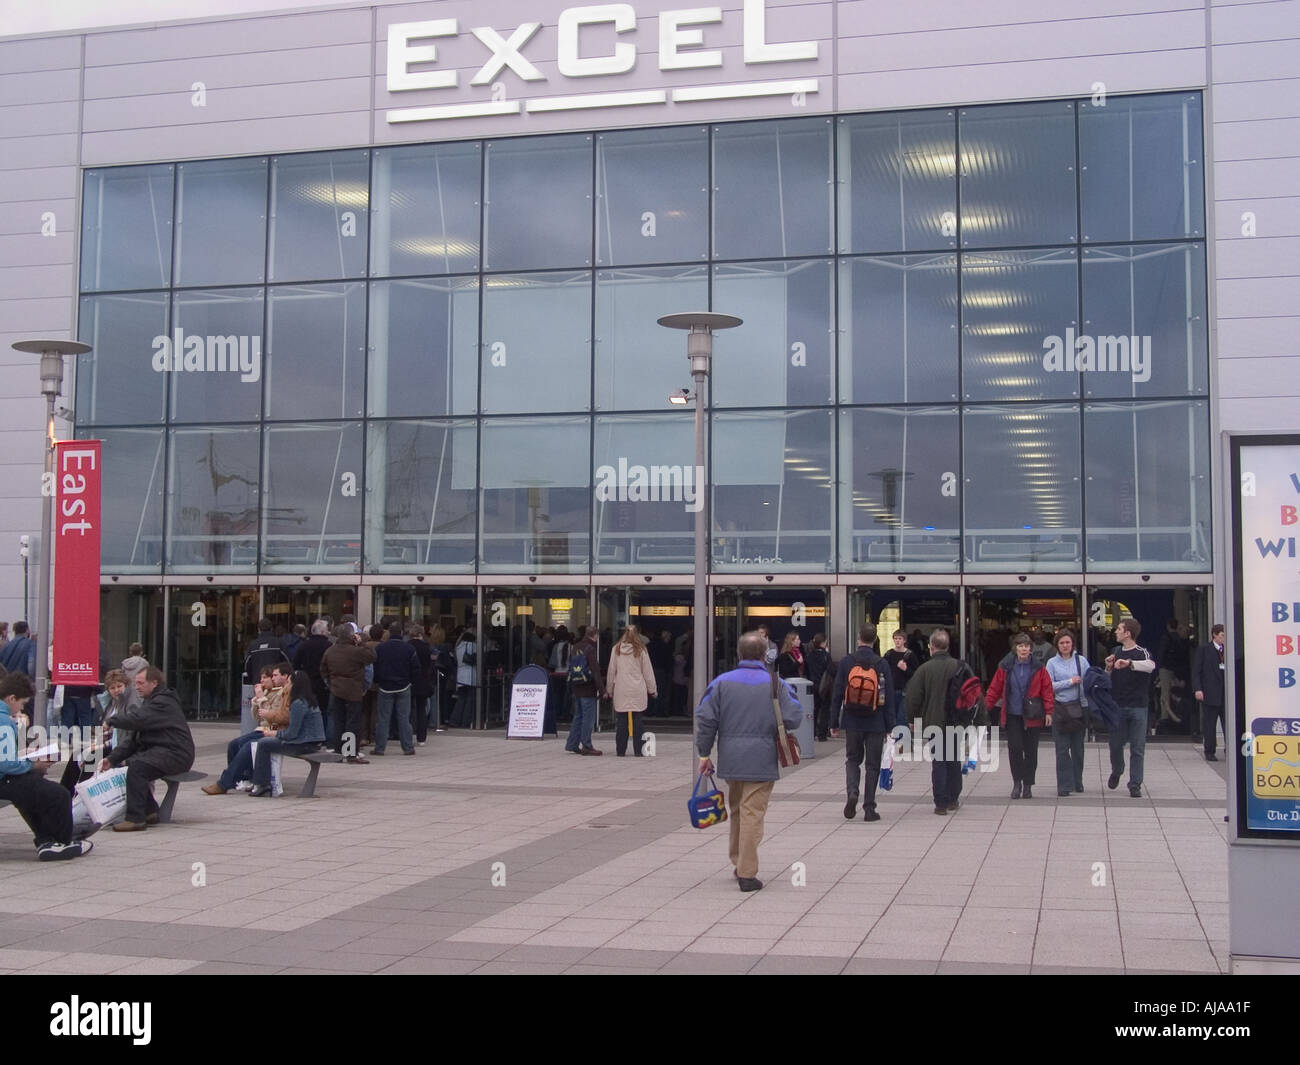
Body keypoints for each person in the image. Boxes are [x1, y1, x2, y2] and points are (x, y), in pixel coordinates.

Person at [696, 630, 803, 892]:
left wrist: (704, 753)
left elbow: (706, 719)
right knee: (752, 813)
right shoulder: (776, 683)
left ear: (739, 654)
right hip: (762, 759)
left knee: (737, 810)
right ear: (765, 654)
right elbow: (794, 717)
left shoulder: (721, 683)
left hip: (732, 759)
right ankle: (747, 872)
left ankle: (737, 860)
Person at [0, 673, 92, 860]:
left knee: (30, 789)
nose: (22, 708)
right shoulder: (3, 720)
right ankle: (62, 842)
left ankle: (46, 840)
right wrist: (34, 764)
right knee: (59, 794)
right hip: (3, 779)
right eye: (22, 703)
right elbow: (5, 763)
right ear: (11, 698)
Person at [100, 667, 196, 831]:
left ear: (154, 683)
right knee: (134, 765)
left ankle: (135, 818)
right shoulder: (151, 702)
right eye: (136, 683)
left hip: (177, 754)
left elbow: (137, 720)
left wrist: (112, 721)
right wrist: (112, 759)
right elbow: (134, 740)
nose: (137, 686)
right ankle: (150, 811)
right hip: (165, 751)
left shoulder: (162, 703)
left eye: (141, 683)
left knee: (137, 768)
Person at [829, 623, 895, 823]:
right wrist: (890, 726)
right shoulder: (881, 663)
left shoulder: (847, 662)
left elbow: (838, 692)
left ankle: (852, 793)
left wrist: (834, 722)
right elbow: (888, 696)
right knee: (872, 765)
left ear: (858, 638)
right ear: (875, 640)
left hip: (852, 720)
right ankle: (869, 808)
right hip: (875, 722)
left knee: (852, 760)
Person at [985, 633, 1055, 800]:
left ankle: (1028, 784)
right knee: (1015, 749)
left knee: (1031, 751)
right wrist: (984, 708)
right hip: (1013, 715)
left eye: (1026, 646)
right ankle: (1017, 783)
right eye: (1020, 646)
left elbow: (1047, 690)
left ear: (1031, 649)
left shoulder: (1039, 668)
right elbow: (994, 689)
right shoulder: (1006, 667)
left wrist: (1049, 711)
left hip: (1033, 715)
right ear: (1015, 648)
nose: (1024, 649)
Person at [904, 629, 965, 815]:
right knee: (954, 759)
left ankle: (940, 802)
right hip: (956, 722)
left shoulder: (924, 669)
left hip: (933, 722)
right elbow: (974, 694)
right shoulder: (960, 667)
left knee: (938, 761)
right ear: (947, 646)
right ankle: (953, 798)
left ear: (931, 647)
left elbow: (913, 697)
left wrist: (912, 719)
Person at [248, 670, 326, 796]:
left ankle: (262, 784)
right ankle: (262, 783)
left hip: (304, 744)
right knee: (265, 742)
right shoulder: (308, 700)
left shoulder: (298, 703)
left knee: (263, 743)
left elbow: (291, 734)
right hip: (311, 742)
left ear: (295, 685)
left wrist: (275, 734)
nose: (286, 685)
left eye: (289, 682)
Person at [1106, 617, 1157, 798]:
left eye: (1119, 629)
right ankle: (1117, 769)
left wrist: (1130, 664)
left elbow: (1151, 666)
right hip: (1118, 704)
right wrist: (1108, 667)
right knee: (1115, 744)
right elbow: (1109, 677)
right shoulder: (1115, 651)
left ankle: (1135, 784)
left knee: (1137, 747)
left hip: (1138, 706)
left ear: (1128, 633)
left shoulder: (1141, 652)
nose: (1116, 631)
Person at [319, 623, 374, 763]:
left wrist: (330, 683)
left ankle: (338, 752)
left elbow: (323, 670)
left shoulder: (330, 651)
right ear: (352, 636)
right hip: (353, 690)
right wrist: (362, 643)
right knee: (353, 723)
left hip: (336, 690)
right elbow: (372, 657)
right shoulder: (355, 651)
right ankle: (350, 753)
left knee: (339, 722)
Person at [1045, 629, 1090, 796]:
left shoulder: (1081, 661)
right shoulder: (1051, 663)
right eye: (1061, 643)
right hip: (1060, 709)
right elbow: (1049, 685)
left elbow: (1088, 681)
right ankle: (1064, 785)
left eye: (1067, 642)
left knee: (1078, 748)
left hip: (1079, 707)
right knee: (1062, 748)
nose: (1065, 646)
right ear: (1057, 645)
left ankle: (1078, 781)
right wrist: (1069, 682)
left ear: (1072, 644)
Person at [606, 625, 656, 757]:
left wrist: (609, 689)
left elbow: (611, 671)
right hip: (637, 688)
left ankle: (620, 750)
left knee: (621, 720)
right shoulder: (641, 650)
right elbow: (648, 672)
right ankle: (639, 750)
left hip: (621, 688)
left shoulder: (616, 649)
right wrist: (652, 690)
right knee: (638, 719)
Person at [373, 621, 418, 756]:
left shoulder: (380, 648)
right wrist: (410, 681)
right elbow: (416, 668)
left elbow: (375, 667)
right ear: (402, 633)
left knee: (383, 719)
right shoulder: (409, 649)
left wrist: (378, 681)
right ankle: (408, 747)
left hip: (385, 686)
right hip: (404, 686)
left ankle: (380, 748)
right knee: (404, 718)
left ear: (389, 633)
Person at [564, 627, 604, 756]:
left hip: (577, 686)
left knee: (578, 716)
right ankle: (587, 745)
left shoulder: (575, 647)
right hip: (588, 688)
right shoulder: (590, 648)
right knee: (588, 718)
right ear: (595, 635)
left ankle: (572, 744)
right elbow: (595, 671)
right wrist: (602, 691)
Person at [1193, 623, 1226, 761]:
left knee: (1228, 724)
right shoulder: (1205, 650)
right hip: (1210, 691)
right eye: (1222, 635)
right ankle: (1210, 750)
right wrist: (1198, 688)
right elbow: (1197, 671)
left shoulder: (1228, 649)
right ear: (1214, 635)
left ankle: (1229, 748)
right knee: (1210, 724)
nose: (1224, 638)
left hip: (1225, 694)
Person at [293, 619, 332, 727]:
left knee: (308, 709)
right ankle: (322, 733)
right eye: (327, 630)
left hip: (307, 682)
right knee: (324, 710)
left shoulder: (303, 645)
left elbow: (295, 664)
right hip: (323, 683)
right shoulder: (329, 646)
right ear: (323, 631)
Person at [883, 629, 918, 735]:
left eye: (900, 639)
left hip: (905, 690)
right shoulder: (889, 654)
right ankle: (893, 738)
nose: (897, 641)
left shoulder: (910, 655)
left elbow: (916, 674)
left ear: (904, 641)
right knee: (891, 715)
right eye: (896, 638)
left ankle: (902, 741)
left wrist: (905, 669)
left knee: (902, 717)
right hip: (891, 689)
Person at [1156, 618, 1186, 728]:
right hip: (1177, 669)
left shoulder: (1166, 638)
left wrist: (1159, 667)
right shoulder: (1180, 639)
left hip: (1165, 668)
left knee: (1165, 693)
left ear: (1168, 626)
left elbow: (1161, 653)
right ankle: (1175, 715)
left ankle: (1165, 717)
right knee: (1175, 692)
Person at [408, 625, 434, 747]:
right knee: (421, 709)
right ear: (421, 634)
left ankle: (407, 735)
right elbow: (428, 664)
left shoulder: (407, 645)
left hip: (409, 681)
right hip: (422, 681)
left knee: (407, 710)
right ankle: (421, 737)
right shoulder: (426, 647)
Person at [242, 618, 288, 685]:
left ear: (259, 630)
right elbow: (287, 663)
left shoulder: (253, 645)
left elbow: (247, 665)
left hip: (259, 681)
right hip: (275, 681)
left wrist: (253, 679)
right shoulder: (279, 643)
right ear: (271, 628)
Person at [449, 628, 478, 729]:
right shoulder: (472, 645)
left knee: (461, 699)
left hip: (460, 675)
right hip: (470, 675)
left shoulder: (458, 646)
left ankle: (455, 720)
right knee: (469, 700)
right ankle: (466, 721)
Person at [805, 633, 831, 741]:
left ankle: (812, 731)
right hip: (824, 685)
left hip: (813, 684)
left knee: (814, 709)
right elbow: (831, 669)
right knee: (825, 709)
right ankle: (822, 734)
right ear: (823, 643)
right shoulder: (825, 655)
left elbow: (807, 670)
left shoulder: (809, 655)